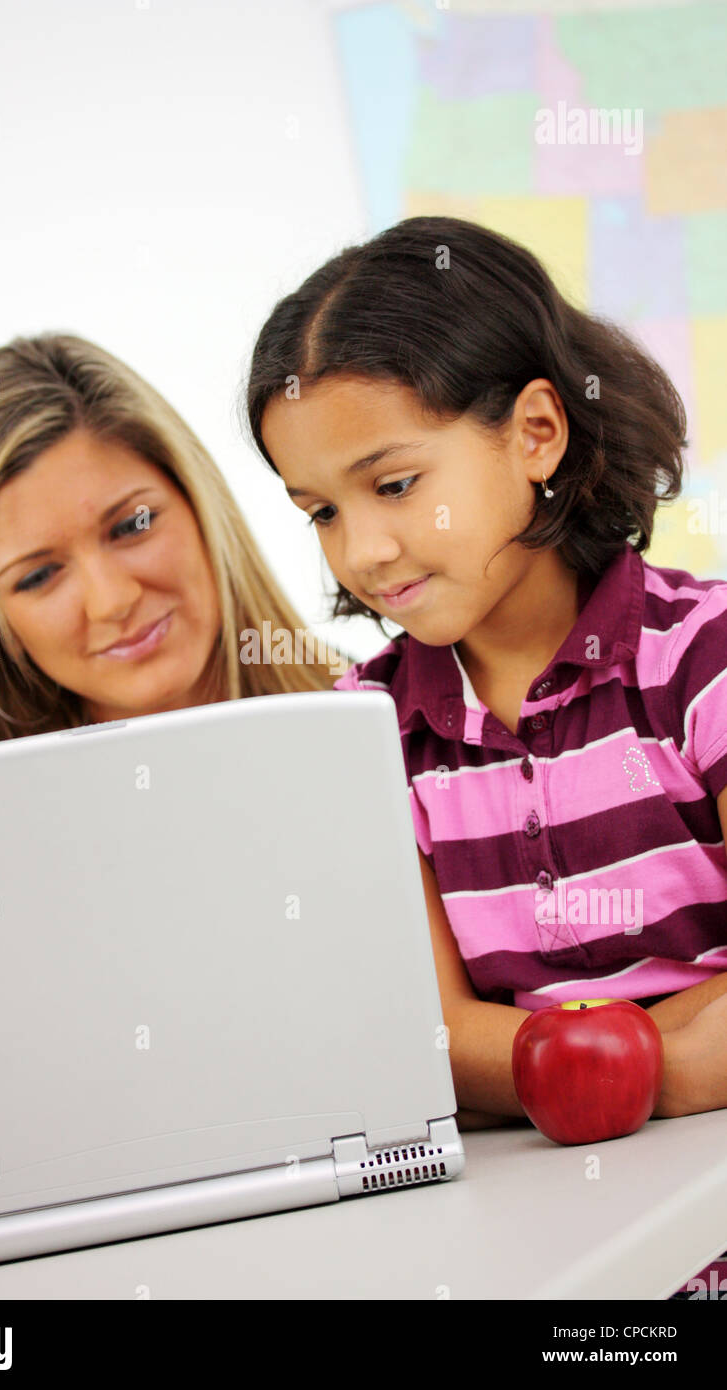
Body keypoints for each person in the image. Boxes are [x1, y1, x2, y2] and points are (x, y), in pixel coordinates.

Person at [243, 214, 727, 1137]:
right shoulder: (358, 736)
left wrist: (554, 1065)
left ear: (536, 433)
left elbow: (478, 1051)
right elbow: (431, 1040)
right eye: (320, 512)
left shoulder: (705, 657)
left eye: (392, 486)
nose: (365, 550)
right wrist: (667, 1066)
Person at [0, 332, 348, 1213]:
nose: (111, 598)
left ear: (197, 502)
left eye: (132, 525)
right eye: (40, 575)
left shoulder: (383, 724)